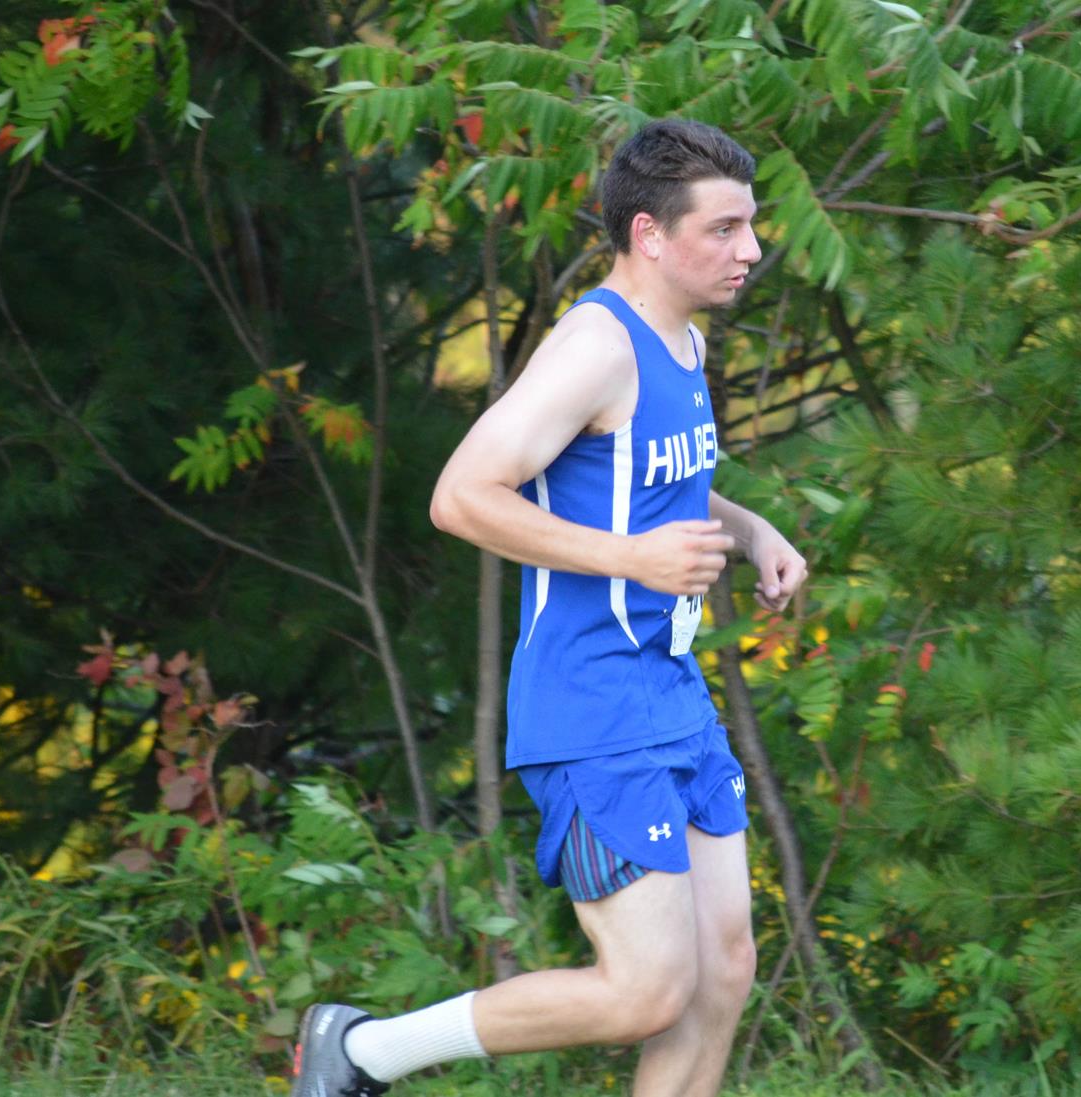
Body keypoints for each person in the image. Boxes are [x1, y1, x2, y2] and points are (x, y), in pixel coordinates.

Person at [290, 119, 808, 1097]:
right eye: (727, 227)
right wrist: (629, 558)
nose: (751, 249)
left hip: (669, 697)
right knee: (645, 991)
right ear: (649, 234)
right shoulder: (595, 345)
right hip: (591, 707)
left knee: (722, 974)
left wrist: (750, 530)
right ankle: (359, 1052)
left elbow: (654, 484)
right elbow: (461, 495)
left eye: (752, 226)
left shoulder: (681, 339)